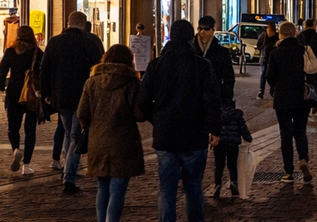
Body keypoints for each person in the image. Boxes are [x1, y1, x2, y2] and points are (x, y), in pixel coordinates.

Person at [137, 20, 223, 222]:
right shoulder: (201, 65)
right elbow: (211, 100)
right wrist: (214, 129)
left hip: (166, 135)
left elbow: (143, 100)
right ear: (189, 37)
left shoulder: (156, 65)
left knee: (167, 189)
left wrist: (157, 118)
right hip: (194, 134)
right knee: (193, 186)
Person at [40, 10, 104, 194]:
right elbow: (97, 71)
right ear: (84, 24)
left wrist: (47, 93)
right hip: (82, 96)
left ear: (68, 22)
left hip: (60, 96)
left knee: (69, 132)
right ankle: (68, 178)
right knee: (76, 136)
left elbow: (44, 68)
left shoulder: (55, 42)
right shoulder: (89, 43)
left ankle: (68, 171)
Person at [78, 45, 144, 222]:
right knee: (118, 188)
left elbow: (82, 113)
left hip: (97, 140)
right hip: (123, 140)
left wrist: (93, 127)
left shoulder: (91, 82)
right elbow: (139, 114)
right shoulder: (132, 83)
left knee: (102, 187)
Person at [265, 21, 314, 184]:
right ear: (294, 33)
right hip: (302, 97)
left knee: (285, 134)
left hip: (283, 98)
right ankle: (304, 159)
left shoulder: (276, 53)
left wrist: (277, 86)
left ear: (281, 34)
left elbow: (270, 76)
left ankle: (288, 172)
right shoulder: (303, 50)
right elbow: (313, 73)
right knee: (300, 131)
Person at [0, 24, 41, 175]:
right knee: (30, 130)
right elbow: (43, 73)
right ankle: (26, 165)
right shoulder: (37, 52)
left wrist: (1, 86)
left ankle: (16, 148)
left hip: (14, 93)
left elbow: (2, 71)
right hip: (31, 96)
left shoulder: (10, 51)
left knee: (13, 127)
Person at [212, 98, 253, 197]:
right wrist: (248, 138)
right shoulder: (236, 115)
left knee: (219, 166)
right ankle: (233, 182)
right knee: (232, 165)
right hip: (233, 143)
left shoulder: (217, 116)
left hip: (219, 143)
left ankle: (218, 184)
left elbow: (212, 127)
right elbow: (243, 128)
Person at [190, 15, 235, 101]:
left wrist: (224, 95)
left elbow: (229, 77)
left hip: (214, 97)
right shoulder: (190, 50)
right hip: (193, 99)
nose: (202, 32)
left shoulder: (221, 52)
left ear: (213, 30)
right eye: (200, 29)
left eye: (206, 29)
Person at [256, 21, 278, 99]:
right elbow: (258, 45)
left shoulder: (276, 35)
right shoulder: (264, 35)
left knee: (272, 74)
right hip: (265, 58)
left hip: (273, 58)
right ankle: (261, 91)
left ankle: (272, 90)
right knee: (263, 75)